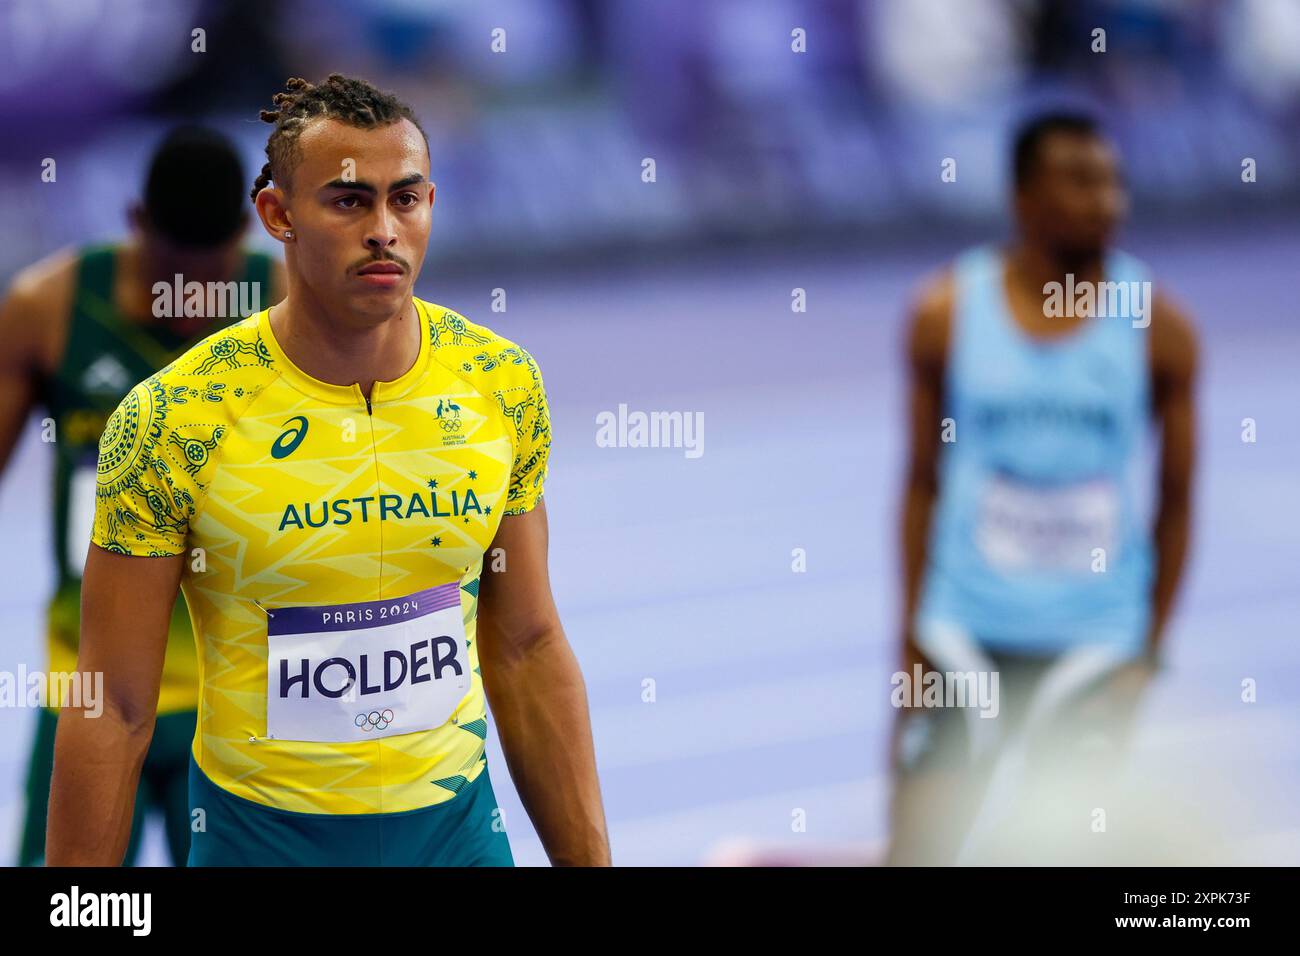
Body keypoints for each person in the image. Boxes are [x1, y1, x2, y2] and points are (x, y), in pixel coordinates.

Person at [45, 74, 611, 867]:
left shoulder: (499, 383)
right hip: (261, 847)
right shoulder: (175, 418)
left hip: (454, 841)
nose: (384, 229)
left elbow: (527, 645)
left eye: (405, 200)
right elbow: (115, 704)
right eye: (349, 202)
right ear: (277, 215)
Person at [889, 112, 1198, 865]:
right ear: (1024, 200)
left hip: (1092, 641)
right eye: (1081, 181)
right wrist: (913, 635)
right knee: (917, 852)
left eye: (1114, 182)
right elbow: (921, 481)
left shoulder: (1158, 326)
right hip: (965, 629)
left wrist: (1145, 651)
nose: (1107, 201)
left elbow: (1178, 503)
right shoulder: (946, 315)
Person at [0, 125, 284, 865]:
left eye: (211, 277)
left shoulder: (287, 307)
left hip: (244, 693)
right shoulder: (49, 307)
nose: (192, 305)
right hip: (90, 685)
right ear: (136, 226)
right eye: (172, 275)